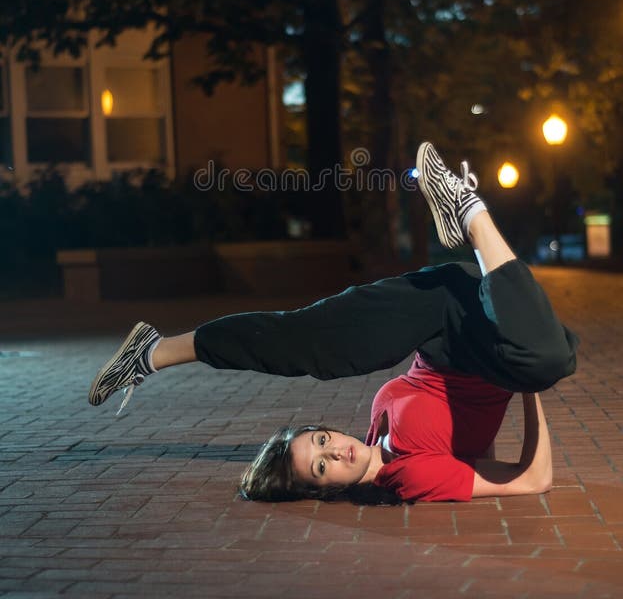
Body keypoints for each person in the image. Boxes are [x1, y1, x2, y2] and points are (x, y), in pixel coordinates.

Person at [88, 143, 578, 503]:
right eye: (321, 468)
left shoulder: (382, 411)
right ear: (325, 491)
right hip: (503, 349)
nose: (336, 452)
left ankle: (152, 352)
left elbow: (468, 422)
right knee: (547, 360)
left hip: (444, 313)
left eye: (322, 440)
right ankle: (473, 219)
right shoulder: (406, 478)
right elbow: (533, 479)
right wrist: (525, 384)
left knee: (309, 341)